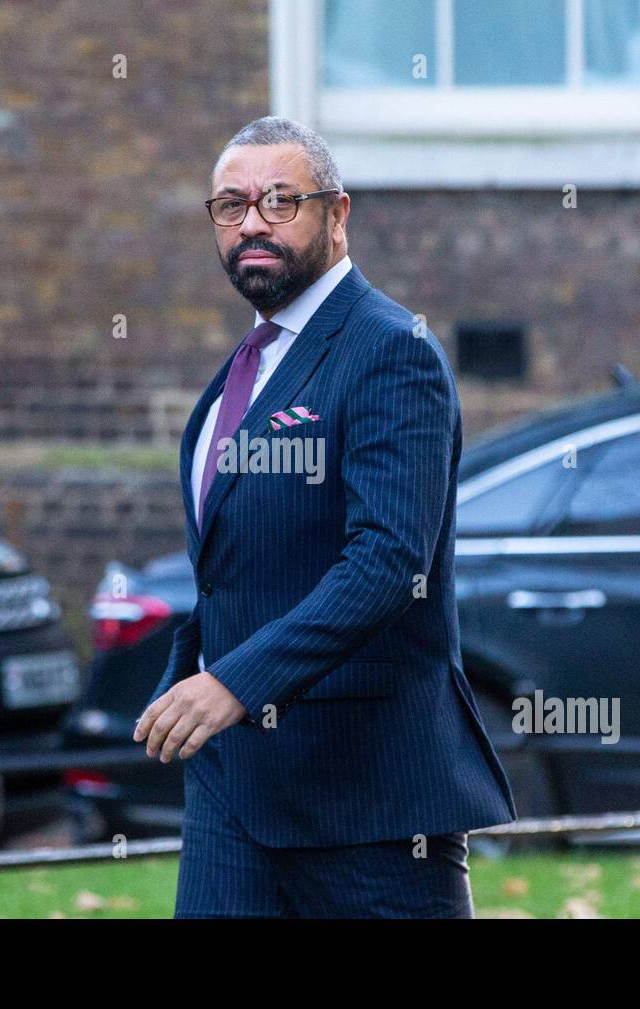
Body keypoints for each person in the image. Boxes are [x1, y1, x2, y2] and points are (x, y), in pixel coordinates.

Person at [133, 116, 516, 918]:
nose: (253, 223)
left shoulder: (391, 351)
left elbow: (387, 563)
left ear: (337, 214)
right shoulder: (243, 370)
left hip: (368, 798)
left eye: (281, 200)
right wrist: (188, 676)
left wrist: (232, 683)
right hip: (234, 791)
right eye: (231, 205)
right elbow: (235, 567)